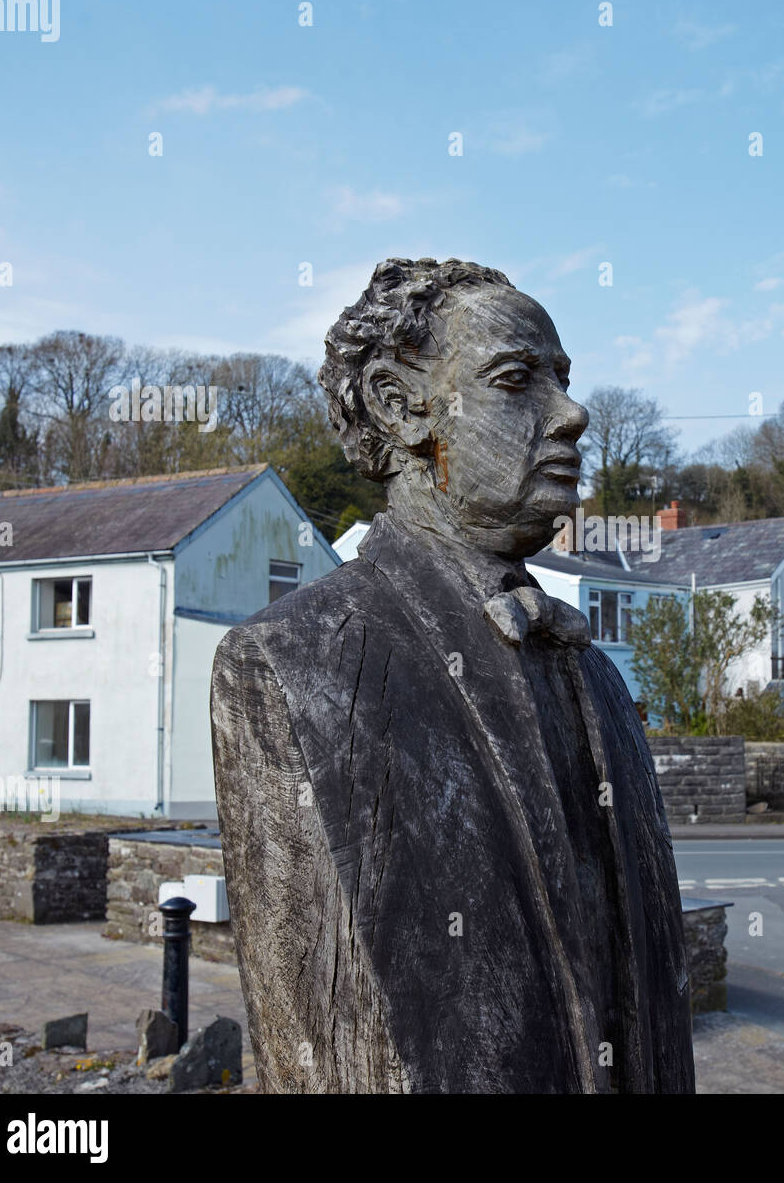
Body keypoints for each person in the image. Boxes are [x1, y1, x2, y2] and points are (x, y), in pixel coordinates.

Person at [210, 258, 694, 1093]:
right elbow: (312, 1037)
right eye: (516, 380)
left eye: (564, 379)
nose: (573, 413)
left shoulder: (600, 680)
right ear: (402, 409)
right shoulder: (289, 661)